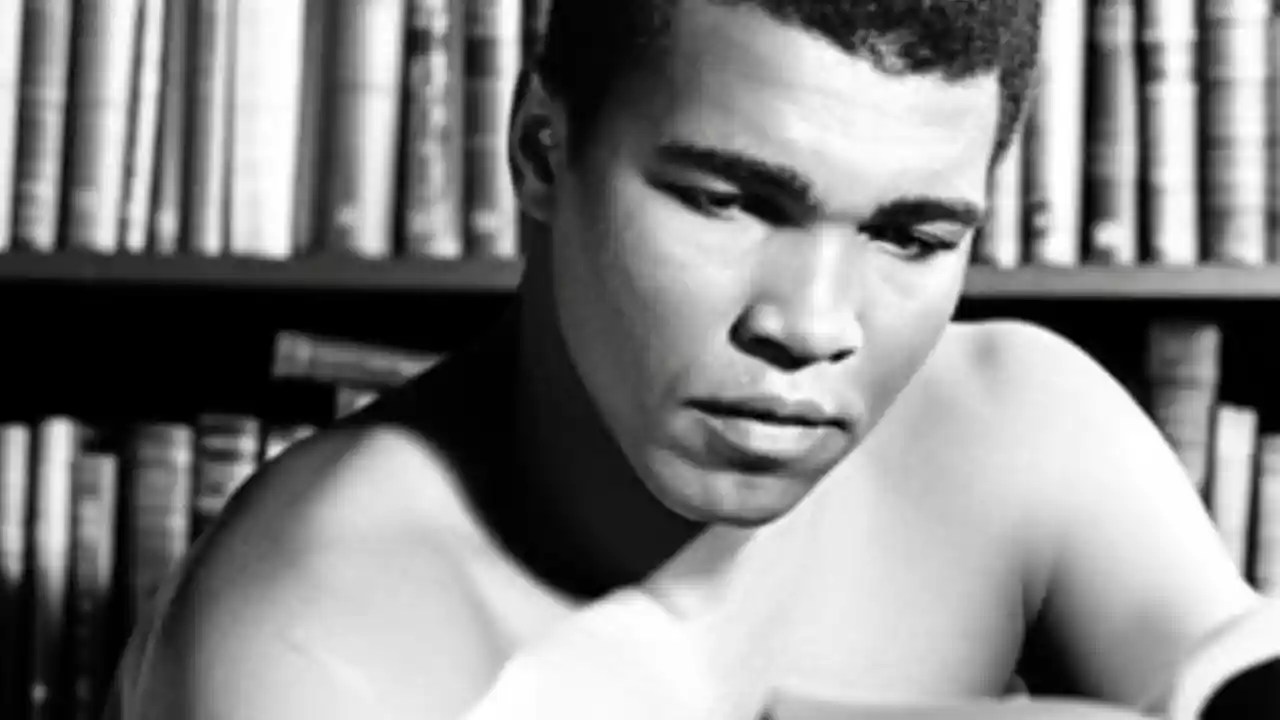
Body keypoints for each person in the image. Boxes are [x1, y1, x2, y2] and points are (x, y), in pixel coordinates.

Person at [109, 1, 1280, 718]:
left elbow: (1230, 677)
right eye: (729, 202)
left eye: (910, 235)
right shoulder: (314, 635)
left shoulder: (1014, 424)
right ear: (538, 151)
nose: (813, 321)